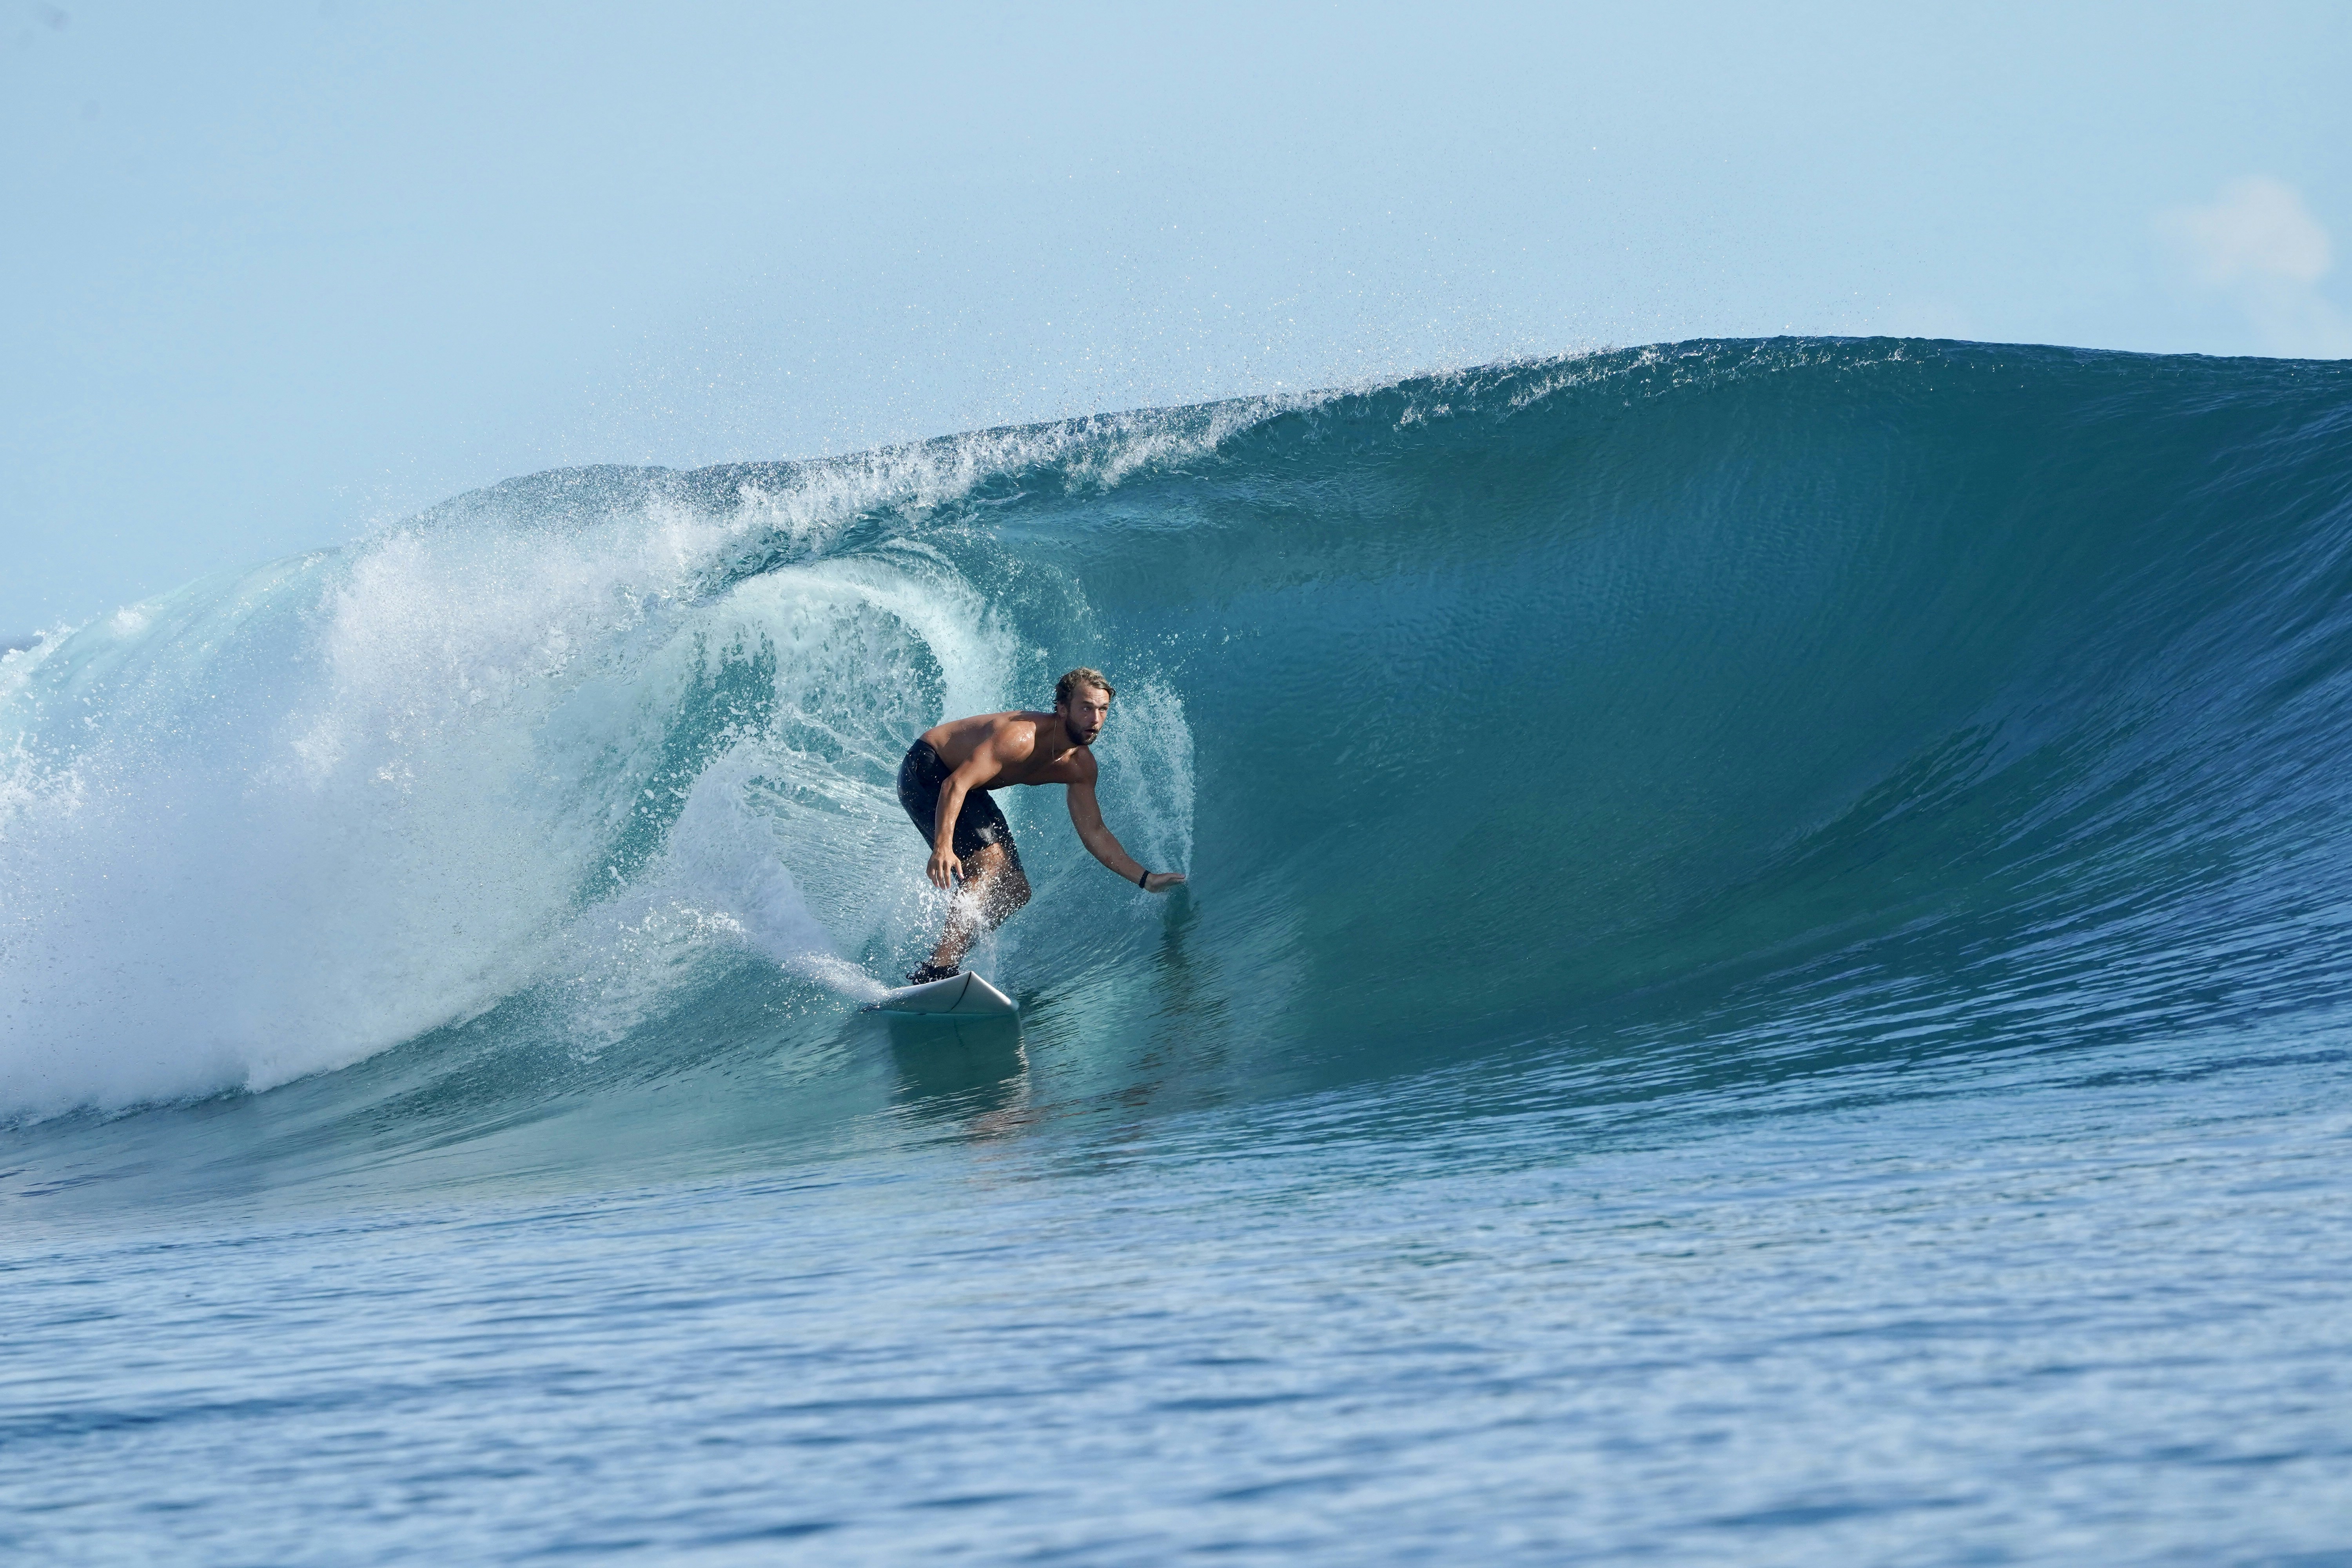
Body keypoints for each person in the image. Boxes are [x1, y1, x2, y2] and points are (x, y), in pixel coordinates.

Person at [895, 666, 1184, 984]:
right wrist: (943, 847)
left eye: (1103, 710)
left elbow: (1095, 833)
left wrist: (1147, 880)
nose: (1096, 719)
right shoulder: (1020, 738)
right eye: (1086, 708)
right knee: (989, 866)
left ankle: (945, 956)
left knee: (1016, 891)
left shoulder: (1080, 766)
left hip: (967, 789)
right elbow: (955, 785)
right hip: (927, 769)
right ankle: (939, 969)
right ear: (1062, 709)